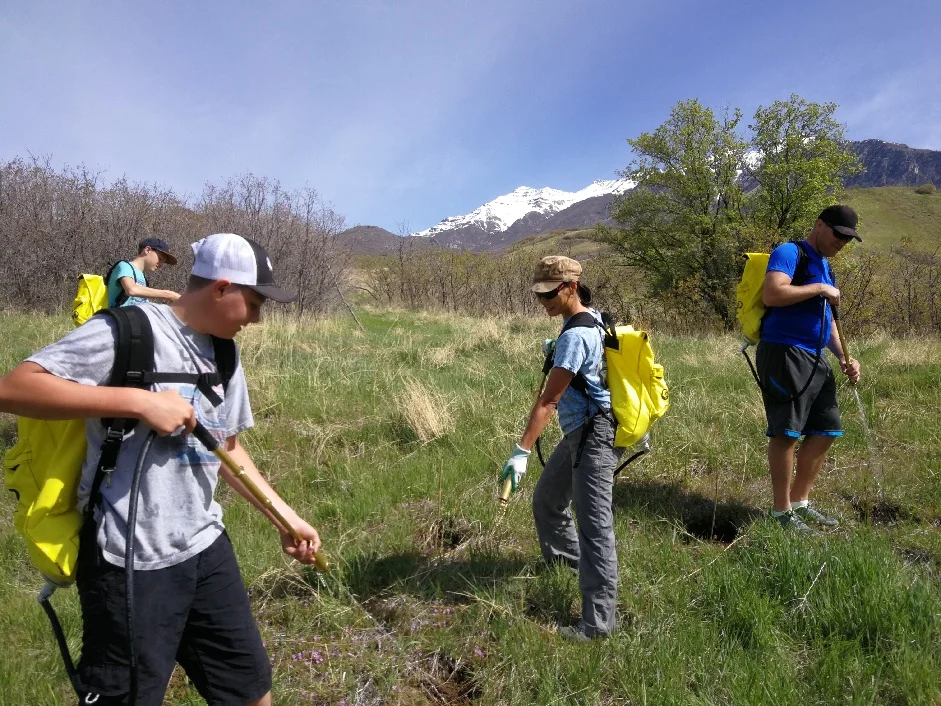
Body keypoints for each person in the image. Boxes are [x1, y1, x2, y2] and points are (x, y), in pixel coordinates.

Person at [0, 232, 320, 705]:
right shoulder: (126, 332)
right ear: (222, 288)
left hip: (206, 547)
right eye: (254, 302)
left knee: (250, 691)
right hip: (128, 558)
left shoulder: (225, 353)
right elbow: (14, 389)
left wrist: (285, 518)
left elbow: (227, 449)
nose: (257, 317)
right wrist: (135, 402)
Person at [500, 255, 622, 642]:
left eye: (550, 294)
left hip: (595, 435)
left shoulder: (575, 335)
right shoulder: (592, 318)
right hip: (579, 433)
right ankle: (569, 568)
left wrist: (520, 454)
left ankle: (597, 625)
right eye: (538, 294)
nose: (543, 302)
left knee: (595, 526)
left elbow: (548, 402)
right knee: (548, 501)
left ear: (569, 287)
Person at [759, 205, 862, 534]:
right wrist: (819, 288)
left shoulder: (825, 266)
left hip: (815, 355)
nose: (841, 243)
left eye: (848, 239)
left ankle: (800, 503)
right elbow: (773, 293)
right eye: (838, 235)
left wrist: (844, 355)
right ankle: (781, 513)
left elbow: (827, 319)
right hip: (784, 351)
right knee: (787, 432)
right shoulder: (790, 252)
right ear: (819, 225)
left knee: (826, 429)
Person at [107, 237, 182, 307]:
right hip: (113, 319)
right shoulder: (124, 266)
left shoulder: (144, 279)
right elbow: (131, 290)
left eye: (163, 262)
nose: (161, 265)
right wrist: (169, 295)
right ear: (147, 250)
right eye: (160, 259)